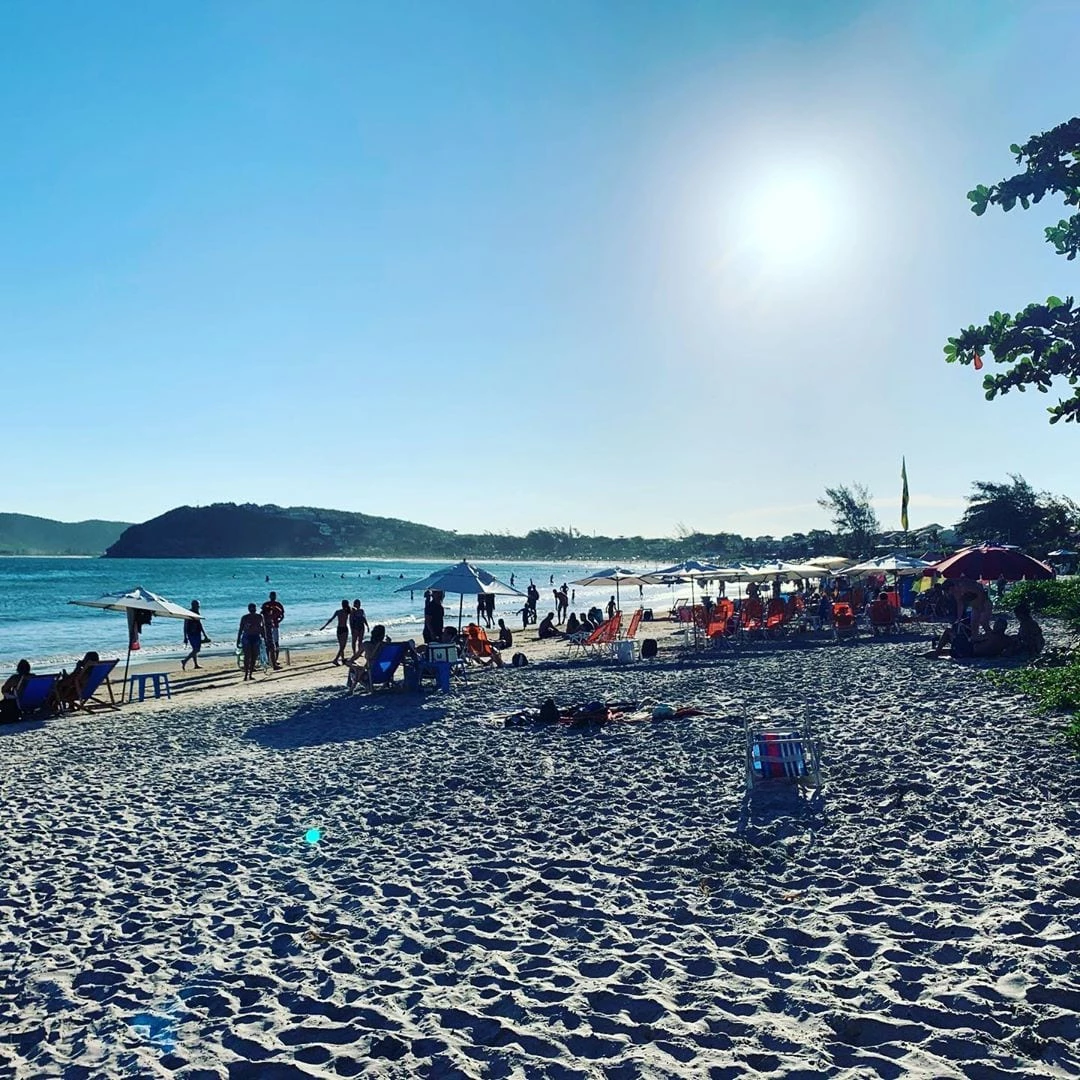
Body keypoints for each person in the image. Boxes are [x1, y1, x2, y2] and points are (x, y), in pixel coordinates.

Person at [237, 605, 265, 681]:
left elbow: (262, 628)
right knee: (247, 656)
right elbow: (241, 629)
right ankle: (246, 674)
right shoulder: (245, 617)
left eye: (254, 608)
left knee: (254, 656)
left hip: (256, 636)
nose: (253, 610)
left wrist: (264, 637)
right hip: (247, 637)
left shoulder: (259, 617)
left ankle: (250, 674)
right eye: (251, 608)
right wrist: (238, 640)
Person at [321, 600, 353, 665]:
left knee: (342, 645)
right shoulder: (346, 612)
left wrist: (324, 626)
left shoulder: (342, 611)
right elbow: (331, 619)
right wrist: (324, 626)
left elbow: (331, 619)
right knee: (342, 646)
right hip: (343, 629)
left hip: (340, 628)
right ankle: (336, 659)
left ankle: (343, 659)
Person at [182, 600, 211, 670]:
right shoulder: (188, 613)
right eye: (197, 605)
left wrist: (204, 634)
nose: (198, 606)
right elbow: (185, 625)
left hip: (197, 633)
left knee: (195, 649)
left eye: (198, 605)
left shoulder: (197, 612)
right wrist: (185, 637)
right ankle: (185, 660)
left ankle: (195, 664)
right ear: (193, 605)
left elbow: (199, 624)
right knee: (196, 649)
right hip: (191, 634)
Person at [261, 591, 285, 670]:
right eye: (271, 595)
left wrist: (278, 621)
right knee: (268, 644)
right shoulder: (266, 605)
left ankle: (275, 659)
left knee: (275, 643)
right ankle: (269, 660)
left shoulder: (278, 605)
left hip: (274, 625)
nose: (272, 597)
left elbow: (282, 615)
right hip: (267, 626)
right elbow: (262, 615)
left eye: (274, 595)